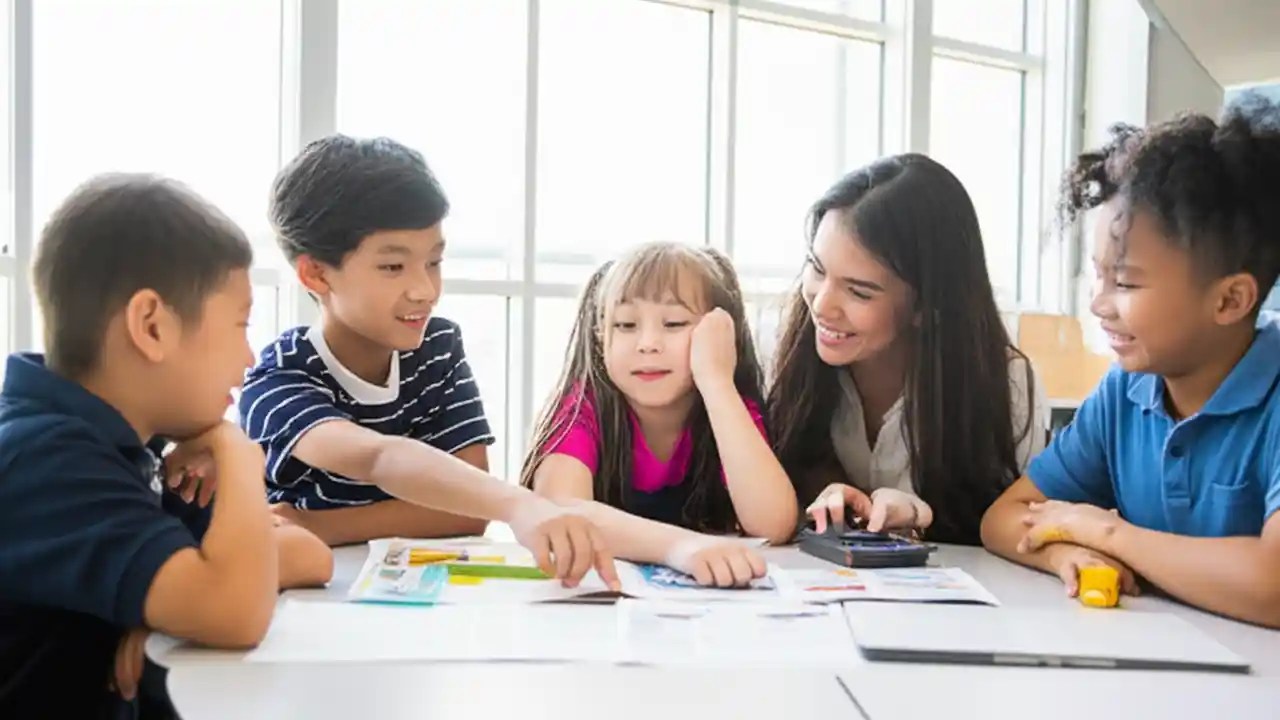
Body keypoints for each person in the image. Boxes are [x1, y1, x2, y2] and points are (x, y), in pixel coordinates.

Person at [0, 175, 332, 718]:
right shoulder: (45, 459)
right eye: (240, 325)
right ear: (151, 326)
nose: (249, 359)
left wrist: (166, 609)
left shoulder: (134, 446)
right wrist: (237, 448)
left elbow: (307, 556)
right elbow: (236, 610)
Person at [240, 134, 618, 587]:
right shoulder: (278, 378)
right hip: (308, 594)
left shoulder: (437, 348)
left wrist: (318, 524)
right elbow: (378, 458)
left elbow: (468, 508)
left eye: (434, 262)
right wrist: (518, 505)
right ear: (316, 273)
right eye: (393, 268)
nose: (425, 290)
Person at [981, 98, 1280, 628]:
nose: (1099, 304)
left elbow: (1272, 586)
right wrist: (1062, 553)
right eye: (1098, 277)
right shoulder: (1125, 392)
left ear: (1230, 301)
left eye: (1125, 282)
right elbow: (1004, 518)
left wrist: (1105, 532)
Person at [768, 154, 1047, 545]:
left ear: (927, 307)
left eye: (858, 291)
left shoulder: (1004, 385)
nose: (821, 305)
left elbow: (1014, 533)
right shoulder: (785, 356)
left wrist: (921, 516)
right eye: (817, 268)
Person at [521, 243, 792, 585]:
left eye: (674, 323)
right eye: (626, 325)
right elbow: (561, 511)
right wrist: (683, 547)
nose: (647, 343)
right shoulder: (583, 407)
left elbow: (773, 524)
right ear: (600, 335)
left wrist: (716, 380)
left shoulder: (727, 406)